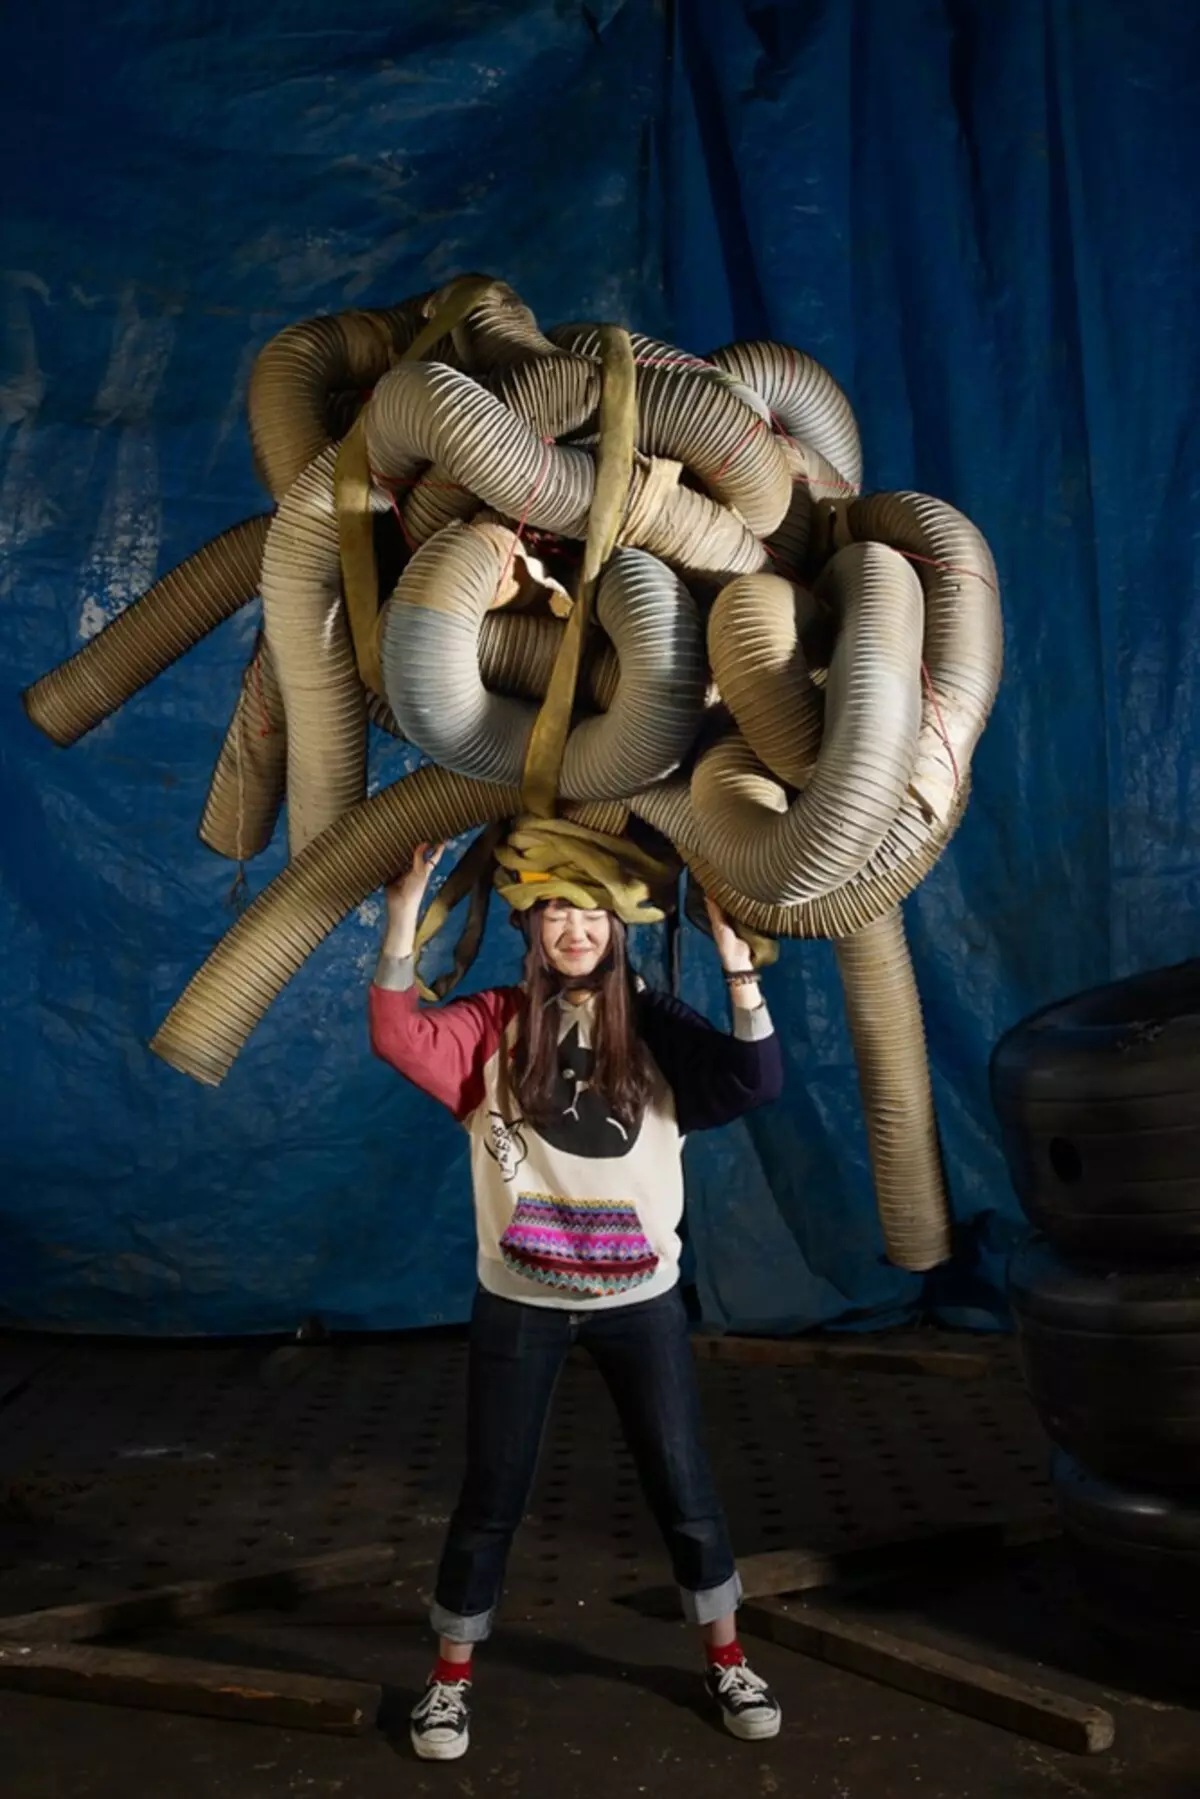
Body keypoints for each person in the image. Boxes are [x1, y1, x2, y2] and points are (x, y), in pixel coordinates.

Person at [369, 827, 785, 1762]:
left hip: (641, 1301)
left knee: (684, 1488)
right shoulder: (489, 1022)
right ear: (531, 919)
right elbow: (398, 1034)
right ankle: (448, 1680)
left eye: (593, 909)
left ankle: (727, 1656)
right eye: (558, 907)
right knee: (492, 1492)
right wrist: (403, 916)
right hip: (519, 1299)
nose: (576, 927)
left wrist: (735, 962)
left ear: (618, 923)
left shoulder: (657, 1026)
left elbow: (758, 1079)